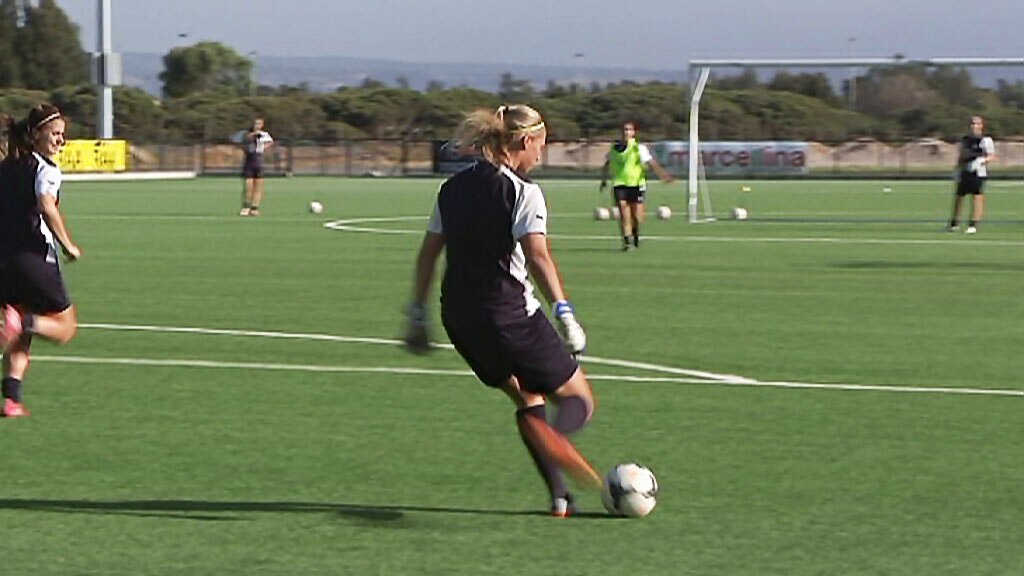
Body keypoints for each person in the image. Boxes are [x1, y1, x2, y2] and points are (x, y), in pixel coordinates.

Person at [404, 104, 601, 517]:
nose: (541, 155)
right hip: (510, 317)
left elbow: (428, 255)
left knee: (527, 397)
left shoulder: (451, 188)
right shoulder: (523, 191)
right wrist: (565, 313)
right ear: (525, 141)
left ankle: (560, 498)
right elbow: (538, 257)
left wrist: (417, 316)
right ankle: (556, 441)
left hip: (459, 318)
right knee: (578, 400)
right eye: (541, 145)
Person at [0, 104, 81, 418]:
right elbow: (46, 206)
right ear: (36, 135)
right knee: (65, 328)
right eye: (55, 134)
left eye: (63, 135)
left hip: (4, 262)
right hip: (34, 259)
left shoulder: (6, 168)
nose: (61, 140)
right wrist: (68, 245)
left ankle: (11, 399)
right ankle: (22, 321)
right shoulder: (45, 169)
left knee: (21, 336)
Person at [600, 121, 674, 250]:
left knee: (636, 216)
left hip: (636, 185)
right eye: (624, 129)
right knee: (623, 212)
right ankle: (626, 241)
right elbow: (607, 164)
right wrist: (604, 180)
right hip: (619, 184)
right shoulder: (614, 149)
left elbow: (651, 163)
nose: (626, 132)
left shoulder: (639, 148)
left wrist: (663, 175)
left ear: (633, 133)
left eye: (629, 130)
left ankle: (635, 233)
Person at [948, 115, 996, 234]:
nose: (974, 126)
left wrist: (982, 161)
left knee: (977, 197)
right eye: (972, 124)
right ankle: (954, 223)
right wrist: (957, 169)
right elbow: (961, 156)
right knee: (959, 197)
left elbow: (991, 156)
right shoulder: (965, 139)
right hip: (965, 171)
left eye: (977, 124)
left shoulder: (986, 140)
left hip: (978, 172)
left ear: (981, 126)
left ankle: (973, 224)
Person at [239, 117, 274, 216]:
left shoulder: (264, 135)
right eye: (256, 123)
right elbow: (243, 143)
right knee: (248, 187)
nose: (257, 126)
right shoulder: (247, 134)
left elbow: (270, 141)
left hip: (258, 161)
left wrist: (263, 147)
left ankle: (255, 208)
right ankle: (246, 206)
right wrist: (253, 135)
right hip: (249, 162)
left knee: (258, 187)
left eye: (259, 124)